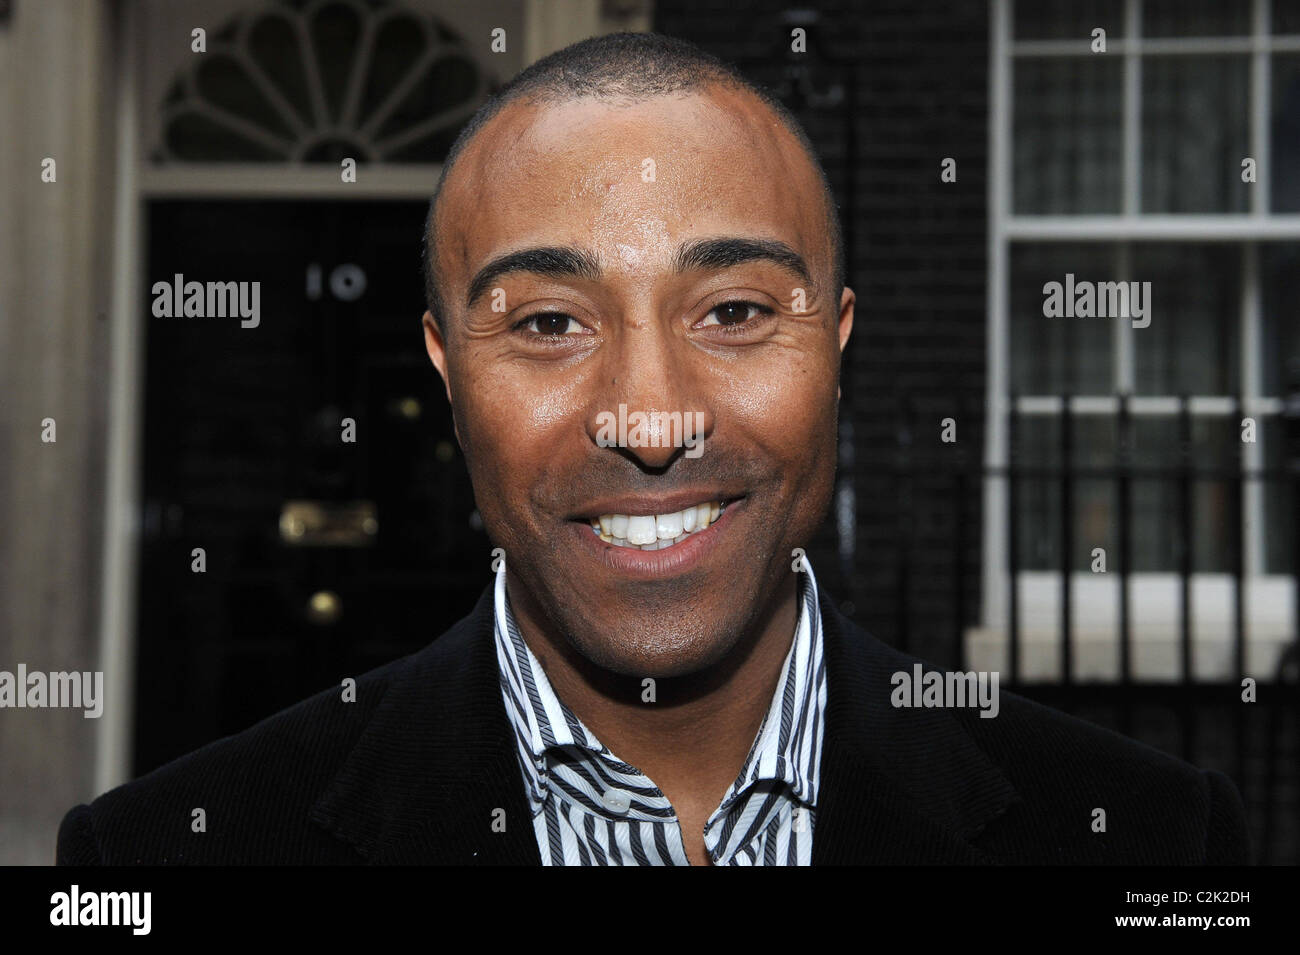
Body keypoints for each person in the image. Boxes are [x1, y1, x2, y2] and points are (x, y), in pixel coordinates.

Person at [57, 31, 1249, 866]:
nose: (650, 417)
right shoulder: (163, 856)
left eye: (733, 312)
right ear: (445, 371)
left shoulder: (1150, 843)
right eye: (546, 324)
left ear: (834, 345)